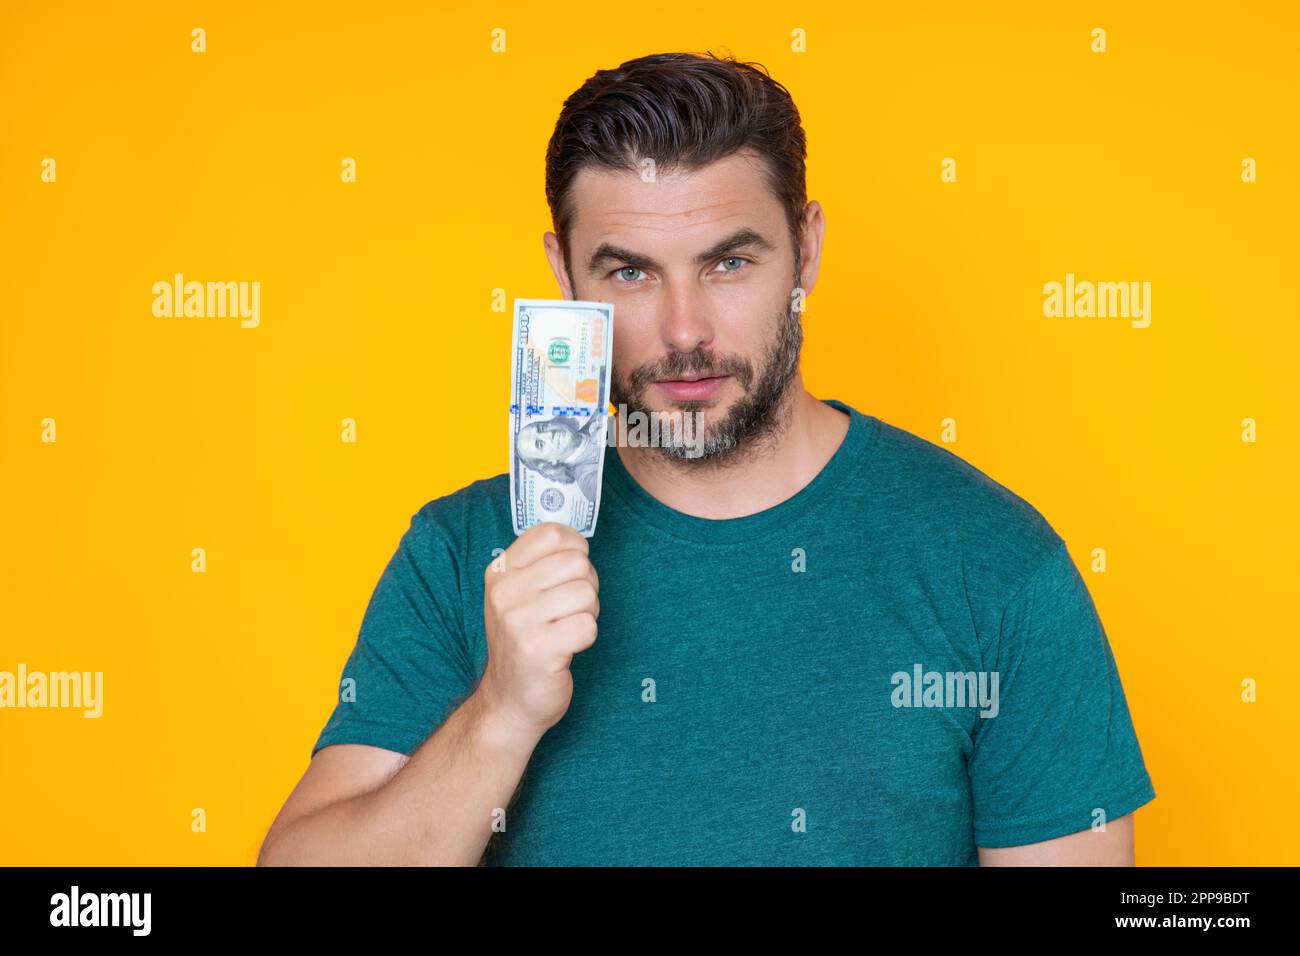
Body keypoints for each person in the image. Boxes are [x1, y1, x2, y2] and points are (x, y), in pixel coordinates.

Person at [259, 51, 1155, 867]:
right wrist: (501, 713)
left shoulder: (994, 564)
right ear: (565, 279)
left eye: (728, 263)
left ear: (806, 250)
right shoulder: (466, 551)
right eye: (631, 273)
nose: (684, 331)